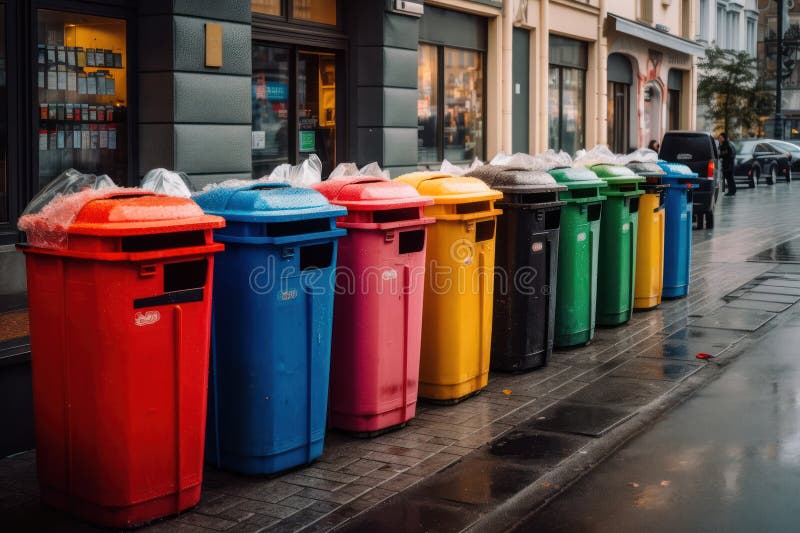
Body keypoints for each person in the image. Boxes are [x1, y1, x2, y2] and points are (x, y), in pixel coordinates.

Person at [718, 132, 736, 196]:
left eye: (720, 138)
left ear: (724, 138)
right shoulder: (723, 145)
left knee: (729, 178)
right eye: (719, 138)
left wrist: (720, 156)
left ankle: (731, 191)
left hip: (728, 165)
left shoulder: (727, 145)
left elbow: (728, 154)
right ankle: (732, 191)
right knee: (729, 178)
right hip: (726, 164)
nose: (719, 139)